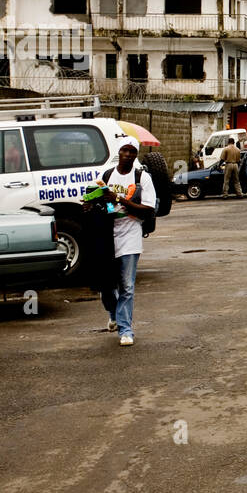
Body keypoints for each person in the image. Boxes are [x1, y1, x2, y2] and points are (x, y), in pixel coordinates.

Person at [94, 138, 156, 347]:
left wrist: (119, 199)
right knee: (105, 286)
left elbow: (148, 208)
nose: (127, 155)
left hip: (130, 235)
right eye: (124, 151)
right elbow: (96, 200)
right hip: (107, 235)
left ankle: (126, 329)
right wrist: (89, 204)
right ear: (118, 152)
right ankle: (113, 313)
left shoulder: (142, 178)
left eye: (132, 152)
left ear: (136, 155)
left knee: (127, 286)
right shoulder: (106, 175)